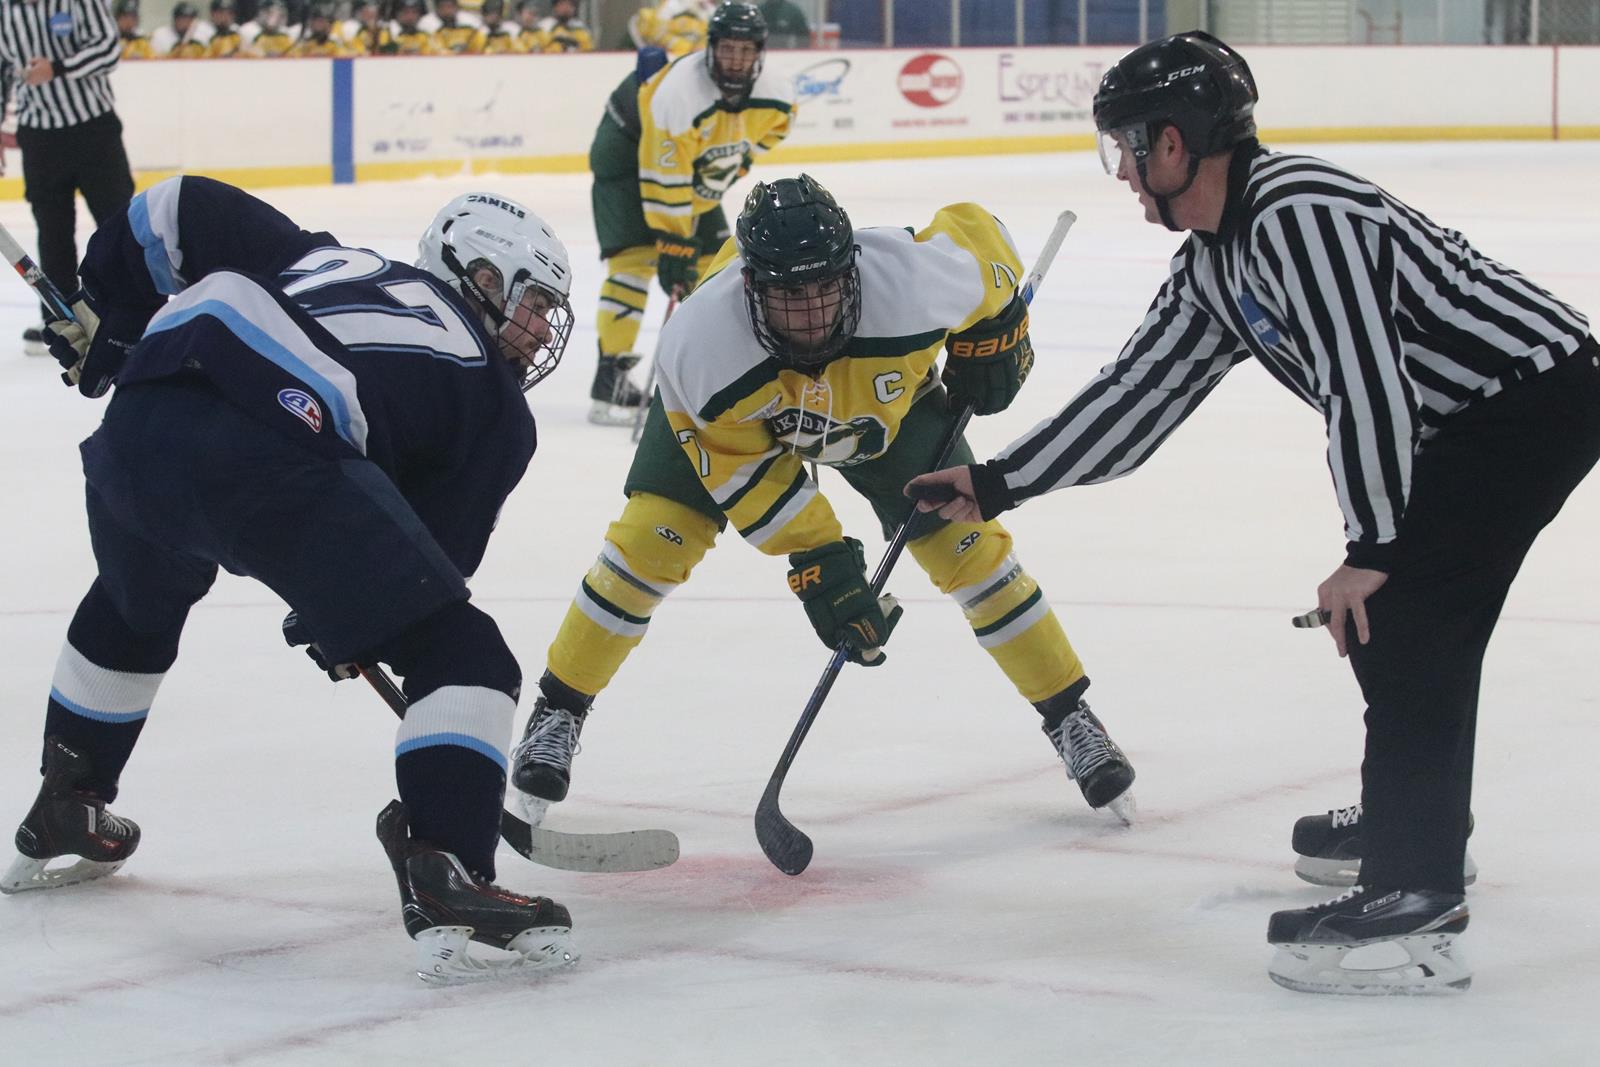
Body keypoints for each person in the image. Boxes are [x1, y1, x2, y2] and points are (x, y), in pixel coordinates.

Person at [907, 32, 1600, 995]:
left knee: (1401, 614)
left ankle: (1416, 902)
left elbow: (1367, 382)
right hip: (1468, 422)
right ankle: (1417, 823)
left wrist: (1373, 546)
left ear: (1179, 142)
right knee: (1399, 620)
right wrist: (995, 483)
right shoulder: (1216, 258)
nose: (1125, 172)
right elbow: (1138, 395)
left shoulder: (1297, 215)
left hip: (1531, 401)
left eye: (1129, 146)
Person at [0, 176, 581, 985]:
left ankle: (67, 798)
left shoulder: (316, 254)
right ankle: (450, 865)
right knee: (466, 655)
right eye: (536, 302)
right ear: (480, 277)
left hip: (141, 419)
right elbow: (430, 566)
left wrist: (109, 316)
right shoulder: (493, 397)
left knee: (139, 599)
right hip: (271, 450)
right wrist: (347, 618)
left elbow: (173, 208)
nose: (541, 327)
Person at [509, 173, 1137, 834]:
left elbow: (983, 236)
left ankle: (1070, 714)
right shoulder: (701, 348)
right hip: (736, 422)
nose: (810, 313)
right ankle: (560, 708)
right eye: (788, 295)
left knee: (970, 550)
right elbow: (744, 472)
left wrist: (997, 333)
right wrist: (822, 561)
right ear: (751, 285)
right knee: (649, 542)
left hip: (880, 409)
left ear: (853, 272)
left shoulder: (913, 282)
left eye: (824, 289)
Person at [585, 1, 792, 425]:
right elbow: (665, 176)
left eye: (745, 50)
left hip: (689, 161)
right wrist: (673, 243)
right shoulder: (679, 93)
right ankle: (610, 380)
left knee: (714, 265)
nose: (736, 60)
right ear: (711, 48)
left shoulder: (778, 93)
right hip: (626, 155)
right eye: (728, 49)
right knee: (635, 263)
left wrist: (727, 168)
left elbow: (764, 135)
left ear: (759, 53)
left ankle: (710, 376)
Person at [0, 0, 134, 359]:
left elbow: (109, 50)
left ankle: (136, 317)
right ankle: (64, 325)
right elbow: (2, 70)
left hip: (94, 131)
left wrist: (57, 68)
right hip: (40, 138)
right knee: (53, 233)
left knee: (120, 225)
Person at [288, 0, 352, 54]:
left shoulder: (334, 42)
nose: (318, 24)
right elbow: (294, 58)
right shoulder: (305, 43)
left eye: (321, 21)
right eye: (316, 21)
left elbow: (343, 58)